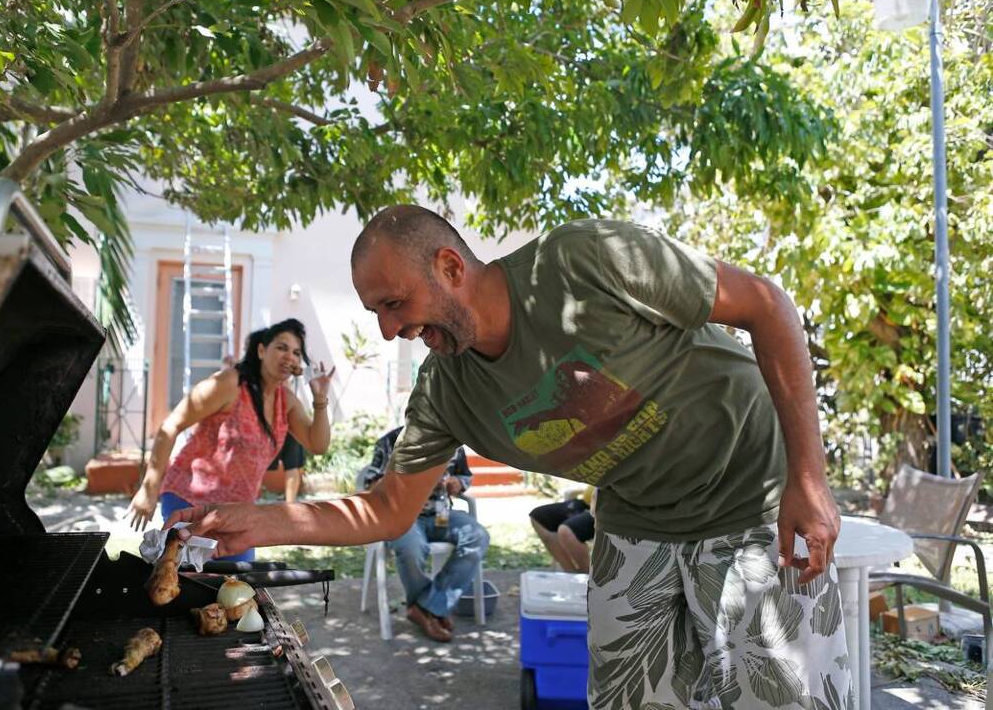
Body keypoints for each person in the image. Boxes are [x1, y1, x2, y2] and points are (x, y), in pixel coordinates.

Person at [167, 207, 849, 708]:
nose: (390, 329)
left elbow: (766, 304)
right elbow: (386, 507)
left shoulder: (584, 261)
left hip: (751, 489)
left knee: (776, 697)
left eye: (394, 304)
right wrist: (260, 521)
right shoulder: (446, 389)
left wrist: (809, 479)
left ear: (452, 267)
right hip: (638, 519)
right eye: (376, 312)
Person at [128, 318, 334, 561]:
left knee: (236, 590)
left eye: (296, 352)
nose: (289, 356)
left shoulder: (285, 401)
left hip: (236, 514)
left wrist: (320, 399)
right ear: (261, 350)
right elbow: (170, 426)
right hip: (189, 502)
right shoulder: (230, 383)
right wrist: (148, 489)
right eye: (281, 347)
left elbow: (318, 445)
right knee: (188, 587)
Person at [361, 427, 489, 643]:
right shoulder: (390, 442)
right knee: (410, 547)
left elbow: (464, 476)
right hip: (404, 516)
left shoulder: (453, 443)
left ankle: (427, 606)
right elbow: (370, 485)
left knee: (478, 537)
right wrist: (404, 478)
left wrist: (457, 483)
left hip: (441, 514)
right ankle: (432, 610)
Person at [529, 485, 595, 573]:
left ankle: (588, 575)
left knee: (567, 530)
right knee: (538, 515)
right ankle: (570, 573)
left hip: (605, 507)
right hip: (585, 503)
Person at [268, 434, 306, 503]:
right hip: (292, 426)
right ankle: (290, 504)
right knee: (292, 465)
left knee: (258, 460)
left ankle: (249, 502)